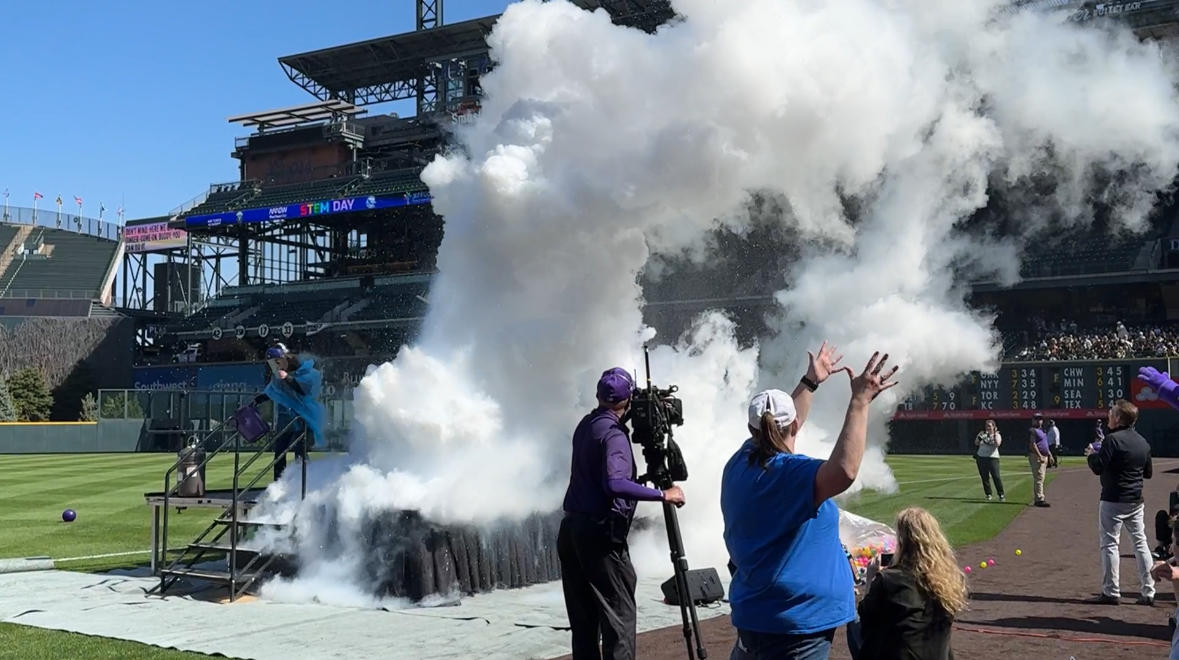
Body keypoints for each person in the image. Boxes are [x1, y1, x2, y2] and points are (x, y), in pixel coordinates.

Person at [722, 345, 898, 660]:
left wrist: (810, 382)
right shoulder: (787, 474)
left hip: (759, 615)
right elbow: (844, 471)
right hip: (795, 625)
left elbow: (780, 427)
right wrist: (860, 402)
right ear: (794, 427)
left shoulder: (739, 464)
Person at [558, 367, 686, 660]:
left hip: (571, 531)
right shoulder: (614, 436)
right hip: (599, 538)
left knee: (584, 624)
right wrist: (662, 494)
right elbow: (615, 483)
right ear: (627, 400)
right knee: (619, 621)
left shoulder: (587, 424)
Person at [852, 507, 967, 660]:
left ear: (902, 541)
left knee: (853, 621)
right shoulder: (951, 577)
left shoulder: (889, 579)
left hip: (899, 654)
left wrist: (871, 578)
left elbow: (866, 618)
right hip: (938, 654)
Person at [1086, 399, 1155, 605]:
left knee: (1109, 544)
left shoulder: (1112, 440)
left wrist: (1091, 455)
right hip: (1135, 500)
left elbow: (1098, 466)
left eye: (1112, 413)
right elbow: (1148, 473)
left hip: (1113, 499)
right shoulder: (1143, 442)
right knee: (1140, 543)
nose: (1109, 415)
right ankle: (1149, 591)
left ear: (1118, 418)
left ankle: (1111, 591)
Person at [249, 343, 325, 481]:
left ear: (285, 358)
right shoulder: (277, 375)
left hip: (304, 417)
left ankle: (305, 483)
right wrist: (257, 400)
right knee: (279, 452)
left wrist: (288, 378)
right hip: (286, 419)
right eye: (272, 363)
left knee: (300, 451)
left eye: (277, 362)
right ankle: (279, 485)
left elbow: (304, 389)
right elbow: (272, 391)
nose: (275, 366)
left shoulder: (304, 371)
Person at [973, 419, 1004, 502]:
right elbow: (976, 443)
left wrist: (993, 435)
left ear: (994, 427)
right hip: (981, 457)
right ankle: (988, 494)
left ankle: (1001, 494)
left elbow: (998, 444)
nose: (988, 428)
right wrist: (980, 437)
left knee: (996, 476)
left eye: (990, 426)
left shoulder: (996, 435)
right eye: (987, 426)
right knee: (984, 477)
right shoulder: (981, 433)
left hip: (993, 458)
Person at [1027, 413, 1051, 508]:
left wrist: (1050, 454)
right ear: (1033, 420)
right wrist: (1040, 455)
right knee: (1039, 477)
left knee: (1041, 478)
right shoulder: (1032, 430)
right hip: (1036, 456)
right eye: (1036, 419)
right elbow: (1032, 445)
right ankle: (1039, 499)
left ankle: (1039, 497)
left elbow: (1044, 443)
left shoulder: (1042, 430)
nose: (1038, 421)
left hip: (1044, 455)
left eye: (1040, 419)